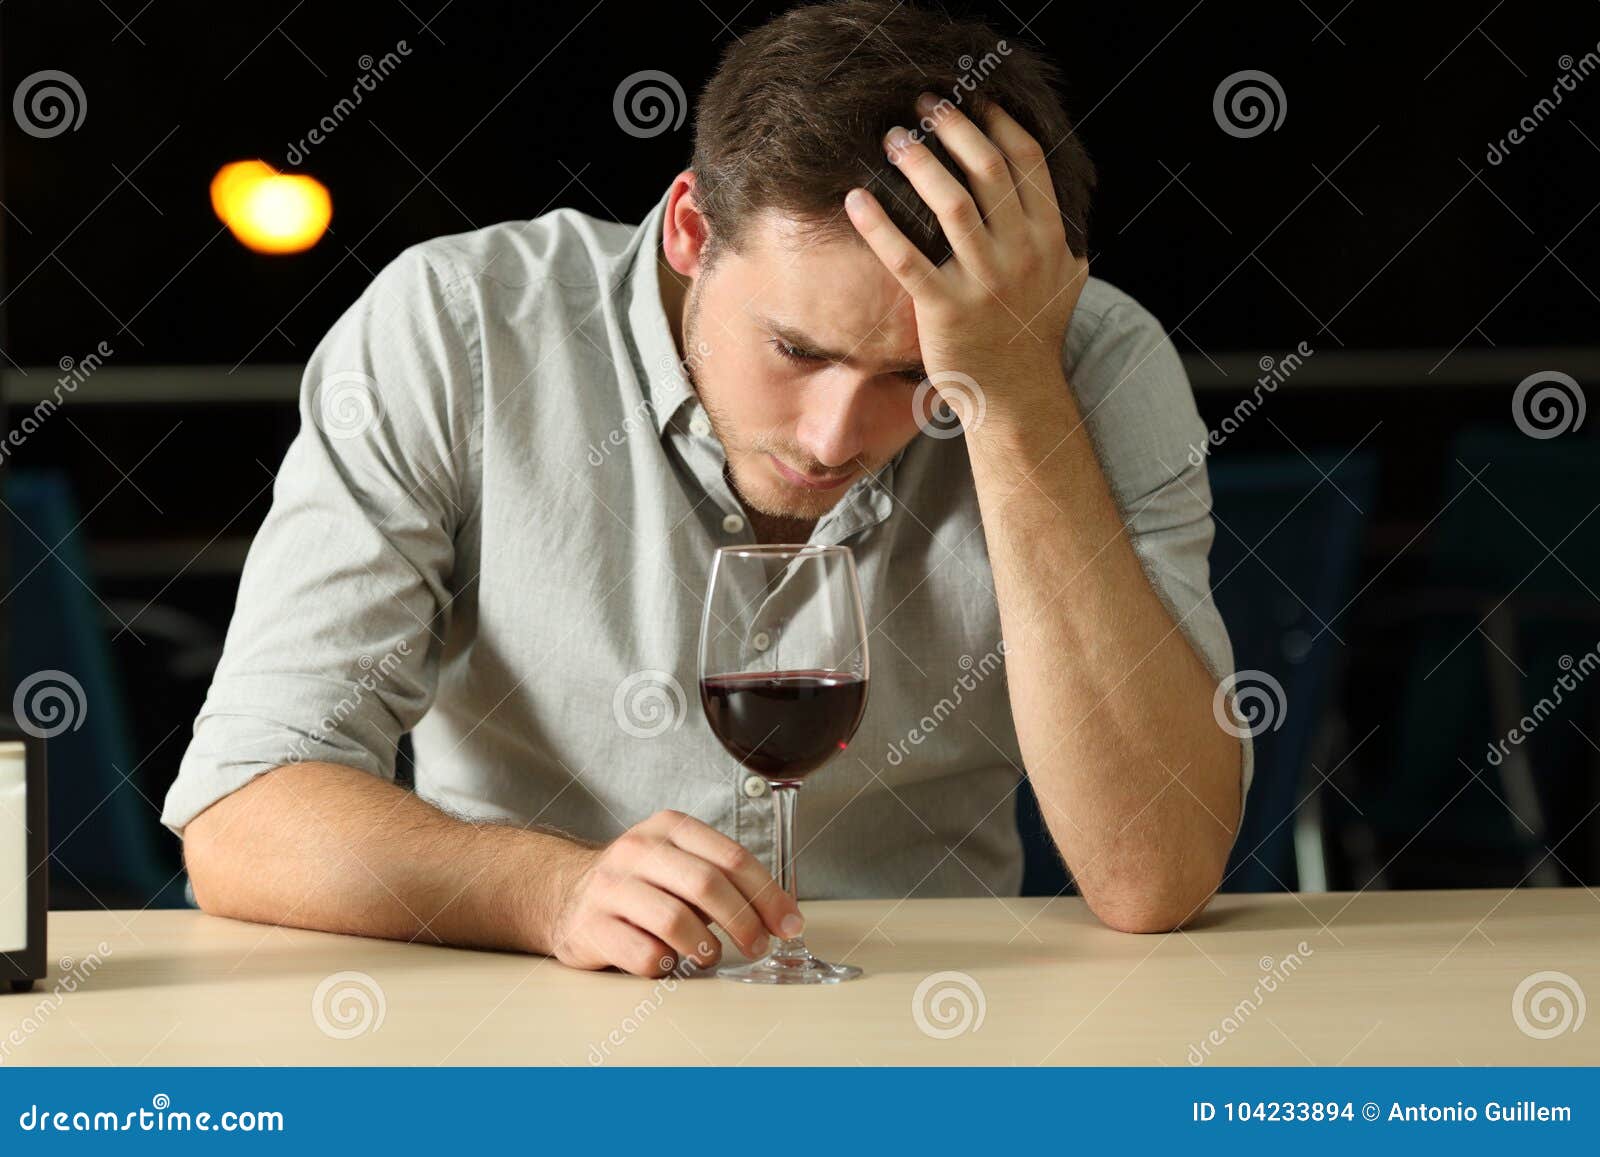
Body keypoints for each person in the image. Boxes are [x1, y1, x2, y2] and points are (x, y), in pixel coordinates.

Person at [165, 0, 1251, 978]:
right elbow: (244, 807)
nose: (834, 439)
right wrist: (548, 891)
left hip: (931, 1021)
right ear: (691, 229)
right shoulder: (458, 329)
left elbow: (1154, 874)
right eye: (795, 347)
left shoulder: (1083, 363)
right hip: (528, 1014)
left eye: (916, 378)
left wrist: (1009, 395)